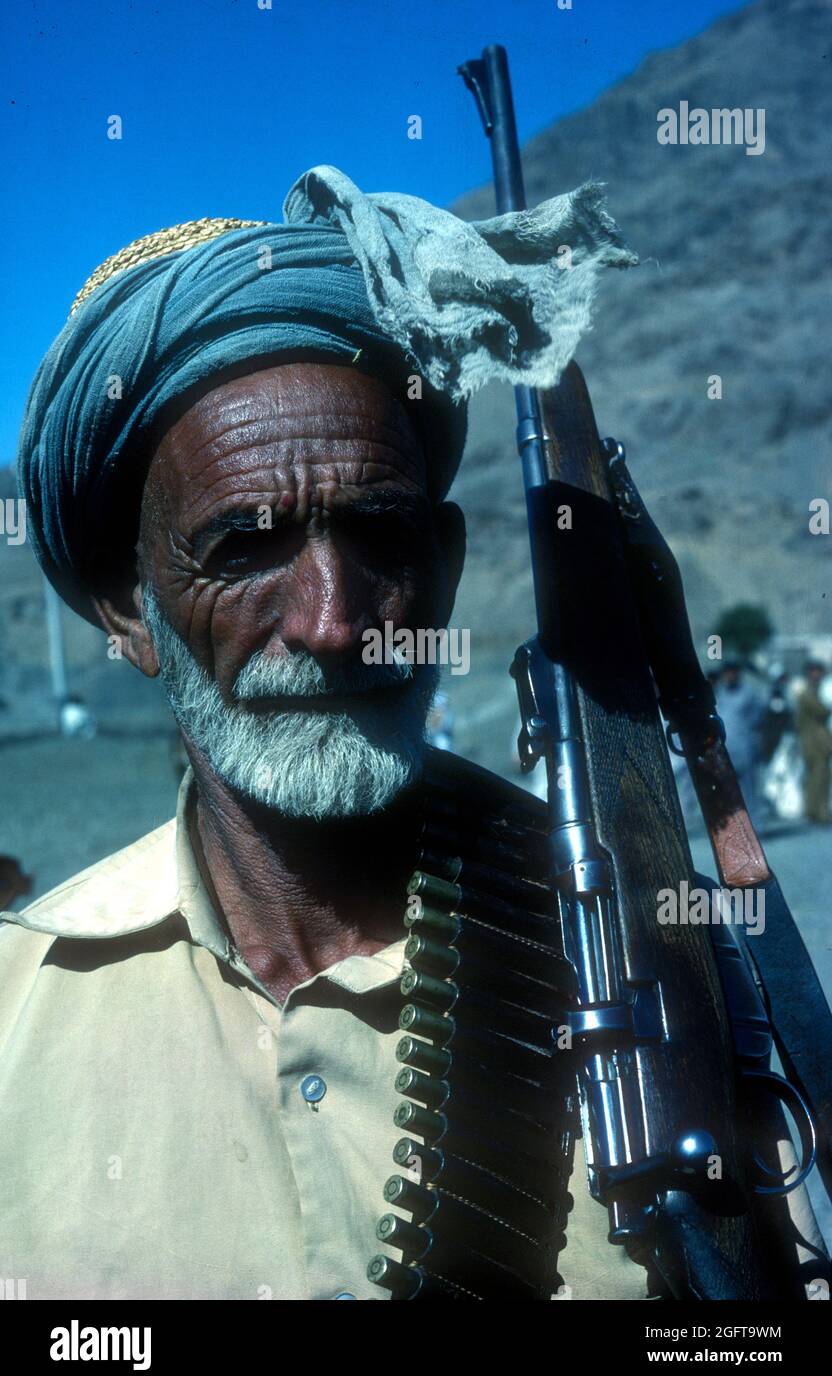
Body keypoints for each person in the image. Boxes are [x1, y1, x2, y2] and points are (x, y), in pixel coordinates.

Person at [0, 171, 820, 1301]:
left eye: (380, 534)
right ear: (130, 610)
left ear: (440, 569)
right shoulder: (18, 1007)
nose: (335, 621)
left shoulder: (643, 943)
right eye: (246, 544)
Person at [714, 659, 766, 822]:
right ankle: (734, 826)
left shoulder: (749, 693)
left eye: (733, 671)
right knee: (727, 789)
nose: (730, 675)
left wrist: (748, 731)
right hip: (725, 747)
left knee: (749, 787)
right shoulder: (718, 693)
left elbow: (759, 716)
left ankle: (756, 825)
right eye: (727, 672)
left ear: (737, 673)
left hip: (745, 746)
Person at [795, 661, 832, 825]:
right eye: (814, 671)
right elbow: (821, 710)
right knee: (820, 777)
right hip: (815, 742)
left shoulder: (811, 691)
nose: (817, 675)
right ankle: (820, 812)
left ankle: (812, 810)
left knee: (814, 777)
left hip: (812, 741)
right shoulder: (807, 693)